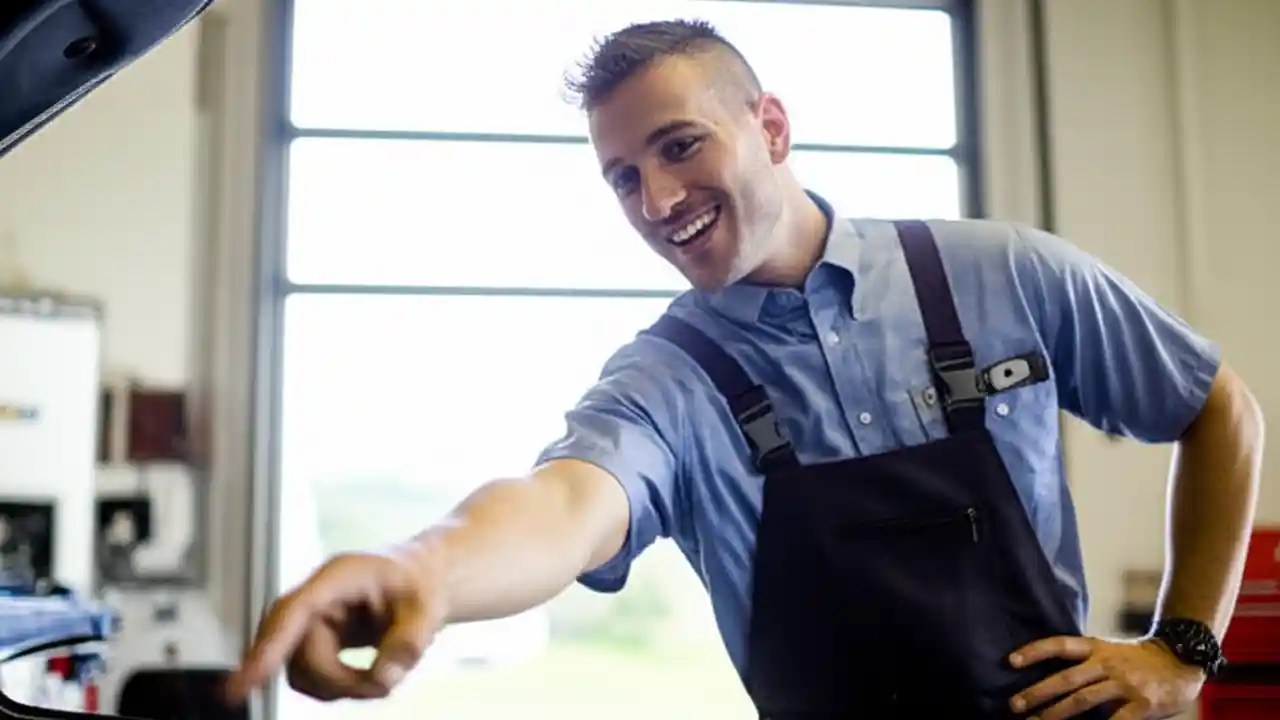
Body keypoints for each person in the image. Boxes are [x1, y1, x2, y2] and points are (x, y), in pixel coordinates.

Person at [224, 18, 1265, 719]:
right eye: (622, 177)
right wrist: (425, 570)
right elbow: (562, 506)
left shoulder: (1003, 276)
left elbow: (1214, 407)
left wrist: (1181, 650)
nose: (654, 199)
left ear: (768, 126)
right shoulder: (667, 382)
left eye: (679, 147)